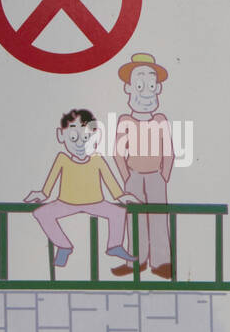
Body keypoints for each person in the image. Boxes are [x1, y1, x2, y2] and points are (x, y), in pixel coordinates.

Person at [23, 109, 140, 270]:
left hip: (96, 202)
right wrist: (41, 194)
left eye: (86, 138)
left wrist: (121, 196)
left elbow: (111, 184)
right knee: (41, 213)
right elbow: (48, 187)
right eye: (73, 137)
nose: (80, 144)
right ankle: (63, 245)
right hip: (66, 202)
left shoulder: (97, 160)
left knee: (118, 212)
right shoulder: (62, 159)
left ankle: (114, 245)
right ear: (61, 135)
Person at [112, 53, 176, 279]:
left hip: (156, 176)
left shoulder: (160, 120)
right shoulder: (125, 122)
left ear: (157, 89)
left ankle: (162, 262)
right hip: (134, 177)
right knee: (134, 217)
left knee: (159, 217)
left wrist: (164, 176)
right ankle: (136, 260)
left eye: (151, 84)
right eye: (139, 84)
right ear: (128, 88)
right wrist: (127, 178)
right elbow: (118, 153)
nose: (145, 90)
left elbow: (168, 151)